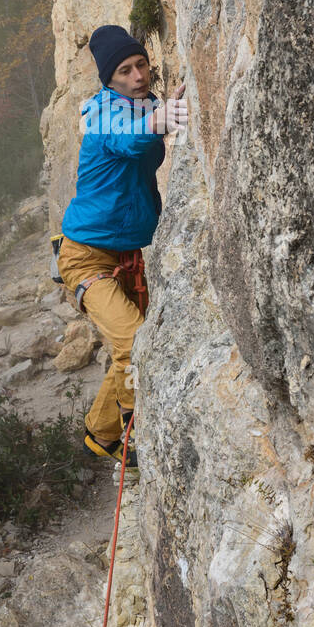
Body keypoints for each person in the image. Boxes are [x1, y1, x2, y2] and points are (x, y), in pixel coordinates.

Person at [56, 24, 188, 469]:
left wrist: (161, 114)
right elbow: (129, 140)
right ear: (109, 80)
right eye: (126, 70)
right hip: (86, 256)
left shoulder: (148, 105)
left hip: (128, 254)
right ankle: (134, 426)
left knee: (128, 344)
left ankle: (102, 433)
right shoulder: (99, 114)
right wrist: (162, 119)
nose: (138, 76)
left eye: (142, 64)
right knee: (134, 339)